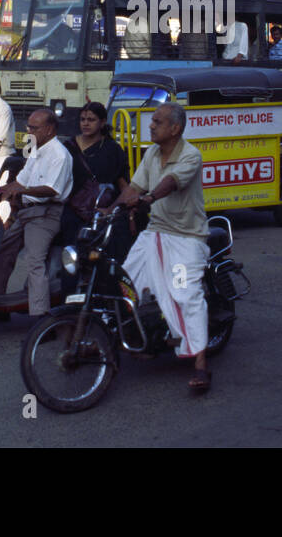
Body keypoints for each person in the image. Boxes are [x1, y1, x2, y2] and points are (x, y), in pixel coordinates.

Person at [113, 102, 212, 393]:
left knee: (184, 294)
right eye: (152, 121)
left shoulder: (191, 155)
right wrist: (107, 210)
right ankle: (147, 335)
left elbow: (170, 183)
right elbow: (133, 189)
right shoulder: (152, 153)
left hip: (186, 237)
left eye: (157, 122)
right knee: (125, 281)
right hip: (155, 232)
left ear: (175, 129)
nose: (151, 126)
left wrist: (149, 199)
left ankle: (201, 365)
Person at [0, 108, 73, 319]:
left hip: (46, 215)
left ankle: (41, 317)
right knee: (2, 251)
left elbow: (51, 190)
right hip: (26, 212)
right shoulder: (35, 150)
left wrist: (22, 191)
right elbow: (22, 180)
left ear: (49, 129)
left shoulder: (60, 155)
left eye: (34, 128)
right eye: (28, 126)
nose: (29, 131)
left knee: (34, 261)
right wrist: (2, 192)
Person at [71, 102, 133, 260]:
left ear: (103, 122)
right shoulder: (69, 146)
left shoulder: (112, 150)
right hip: (72, 212)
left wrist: (114, 209)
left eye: (91, 120)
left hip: (102, 214)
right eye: (82, 119)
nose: (85, 123)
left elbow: (123, 185)